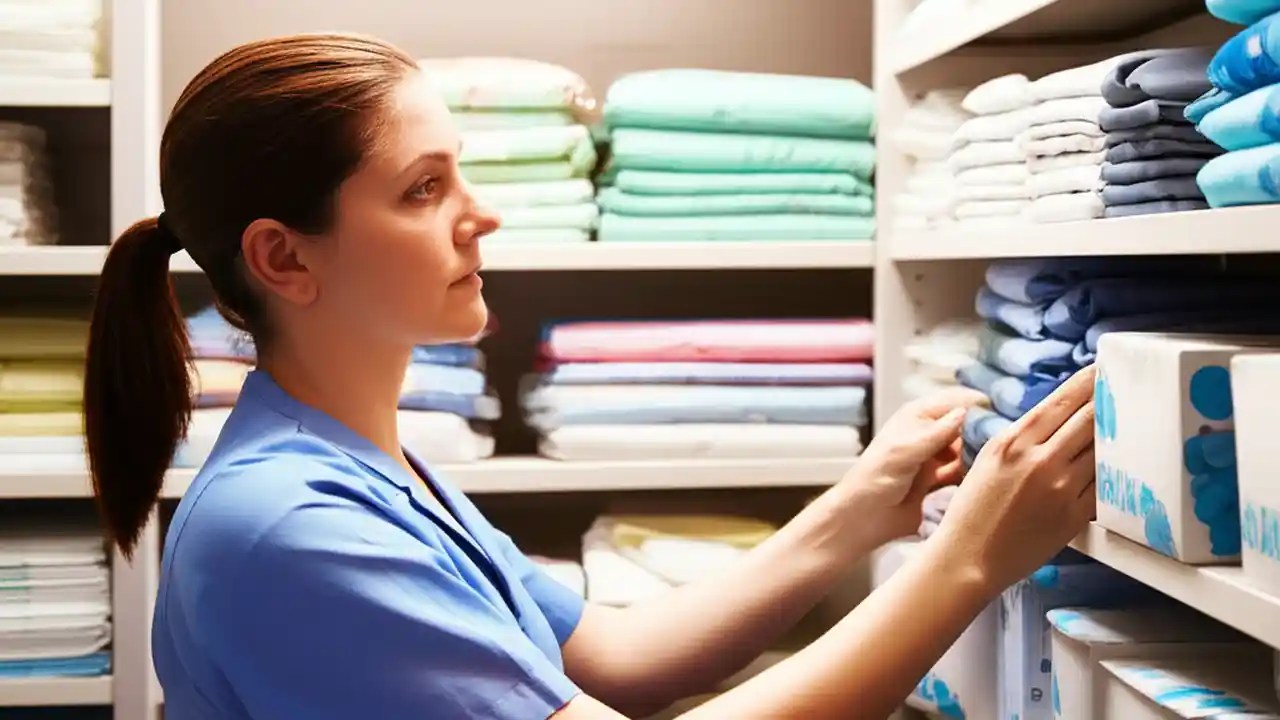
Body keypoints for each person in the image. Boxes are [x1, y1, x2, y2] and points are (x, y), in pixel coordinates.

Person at [82, 34, 1097, 720]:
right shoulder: (287, 529)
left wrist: (860, 511)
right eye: (423, 189)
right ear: (284, 259)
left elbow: (615, 657)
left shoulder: (359, 467)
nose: (481, 215)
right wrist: (969, 558)